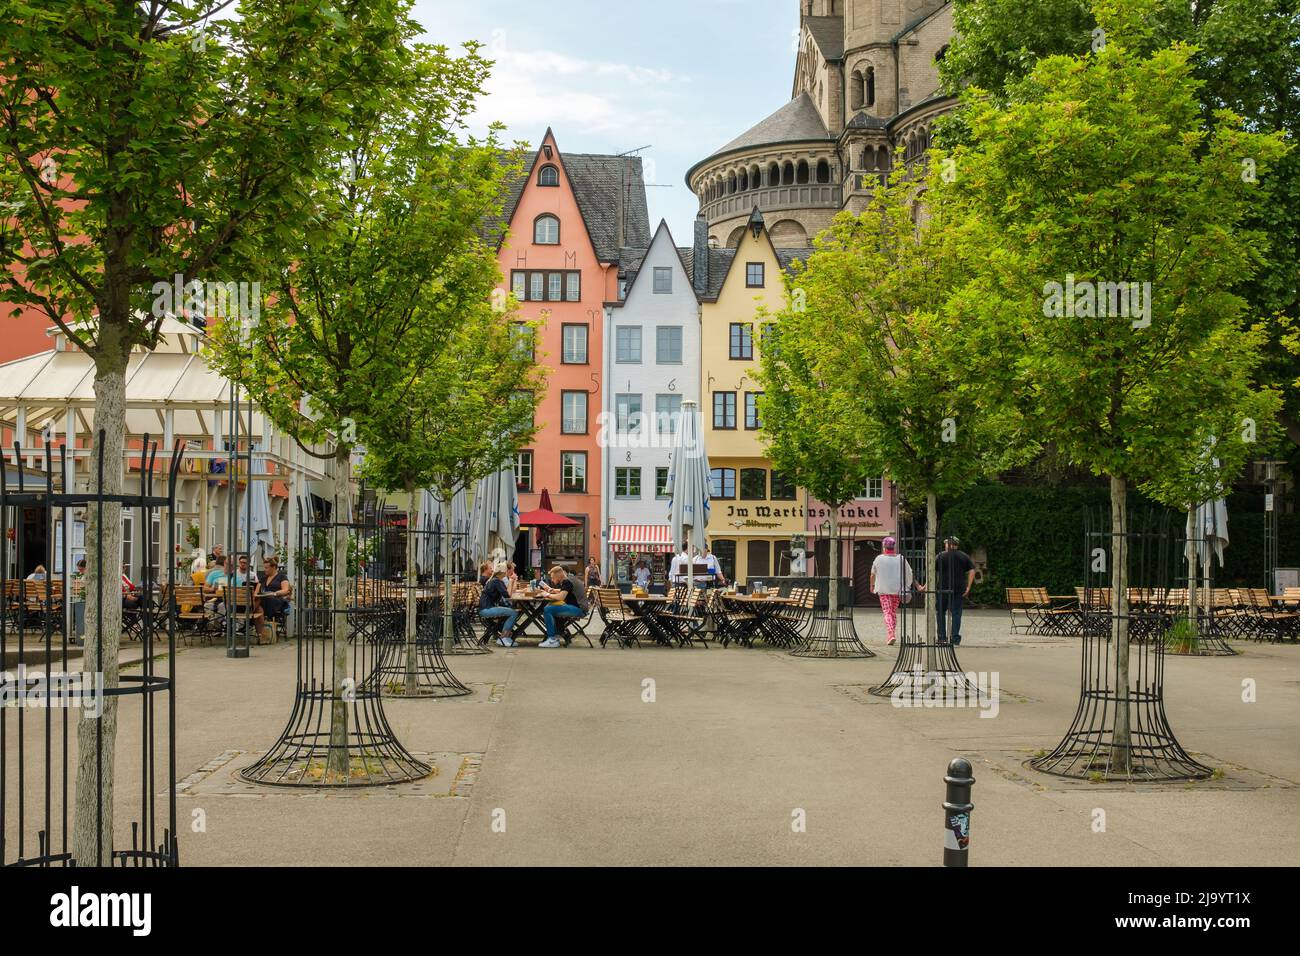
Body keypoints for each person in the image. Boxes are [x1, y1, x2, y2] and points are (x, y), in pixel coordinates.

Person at [871, 537, 921, 646]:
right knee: (893, 612)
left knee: (887, 612)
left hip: (884, 591)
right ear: (894, 547)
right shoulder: (901, 559)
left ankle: (891, 634)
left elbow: (873, 574)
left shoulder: (879, 559)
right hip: (897, 591)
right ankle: (892, 634)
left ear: (884, 547)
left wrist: (872, 585)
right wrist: (916, 586)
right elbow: (909, 573)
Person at [935, 536, 976, 646]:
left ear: (948, 544)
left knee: (940, 613)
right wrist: (968, 586)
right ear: (956, 545)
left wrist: (926, 585)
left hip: (942, 588)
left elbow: (931, 570)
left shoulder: (940, 556)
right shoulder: (964, 556)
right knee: (956, 613)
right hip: (958, 589)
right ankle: (955, 638)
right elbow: (972, 570)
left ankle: (942, 637)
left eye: (946, 543)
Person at [539, 566, 582, 647]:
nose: (552, 580)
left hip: (579, 609)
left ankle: (552, 640)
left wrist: (547, 594)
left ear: (558, 575)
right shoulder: (568, 580)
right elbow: (563, 590)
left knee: (548, 609)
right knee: (550, 607)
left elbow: (561, 597)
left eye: (552, 577)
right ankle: (554, 638)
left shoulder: (567, 581)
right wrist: (551, 590)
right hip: (578, 607)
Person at [255, 556, 292, 640]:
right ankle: (260, 636)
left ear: (274, 567)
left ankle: (248, 612)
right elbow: (256, 592)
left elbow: (286, 590)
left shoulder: (282, 576)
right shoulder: (263, 578)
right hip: (262, 601)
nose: (264, 570)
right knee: (259, 609)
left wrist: (274, 593)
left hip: (276, 601)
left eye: (266, 568)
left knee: (260, 602)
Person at [479, 569, 518, 646]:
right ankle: (503, 638)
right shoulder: (497, 581)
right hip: (487, 609)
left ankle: (505, 637)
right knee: (513, 613)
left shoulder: (495, 580)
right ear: (503, 573)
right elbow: (507, 596)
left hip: (485, 608)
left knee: (512, 611)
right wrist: (511, 580)